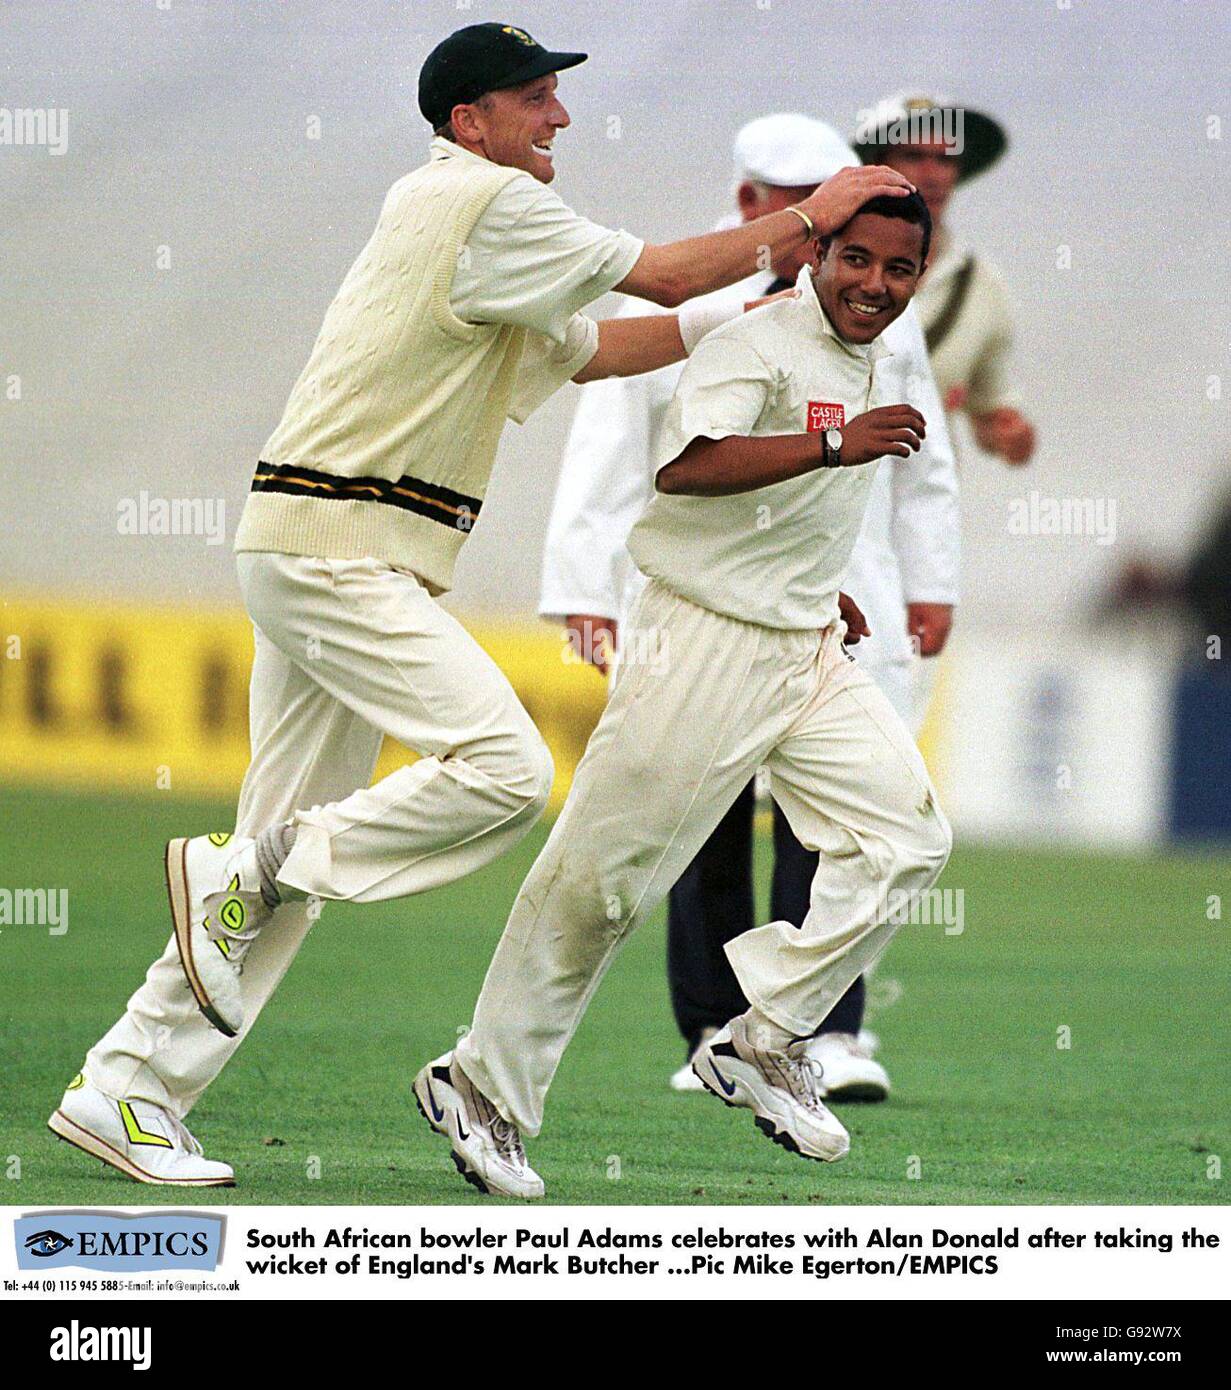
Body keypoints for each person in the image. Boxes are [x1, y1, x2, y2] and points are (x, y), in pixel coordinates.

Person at [48, 23, 914, 1187]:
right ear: (471, 121)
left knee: (290, 868)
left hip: (332, 545)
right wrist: (811, 218)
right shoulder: (477, 200)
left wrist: (758, 301)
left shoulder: (483, 236)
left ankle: (127, 1086)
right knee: (503, 770)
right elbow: (657, 272)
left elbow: (607, 346)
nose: (559, 118)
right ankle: (241, 871)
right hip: (337, 543)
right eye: (537, 98)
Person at [416, 189, 953, 1199]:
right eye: (857, 260)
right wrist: (836, 447)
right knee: (605, 883)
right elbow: (685, 468)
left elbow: (788, 498)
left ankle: (764, 1037)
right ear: (816, 253)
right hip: (697, 644)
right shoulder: (757, 339)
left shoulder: (873, 348)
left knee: (906, 837)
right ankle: (477, 1084)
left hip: (801, 644)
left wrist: (812, 577)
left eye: (898, 269)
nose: (875, 286)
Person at [540, 114, 959, 1105]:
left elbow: (926, 463)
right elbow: (612, 449)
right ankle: (708, 1030)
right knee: (702, 816)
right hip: (703, 596)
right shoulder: (700, 300)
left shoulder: (875, 299)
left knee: (846, 820)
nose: (835, 230)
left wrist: (931, 583)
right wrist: (578, 590)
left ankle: (827, 1030)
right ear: (748, 203)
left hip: (838, 598)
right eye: (809, 205)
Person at [852, 92, 1036, 466]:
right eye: (912, 156)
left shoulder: (981, 285)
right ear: (875, 163)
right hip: (826, 491)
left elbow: (987, 409)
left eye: (946, 159)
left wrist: (1011, 436)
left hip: (922, 502)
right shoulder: (817, 260)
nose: (931, 174)